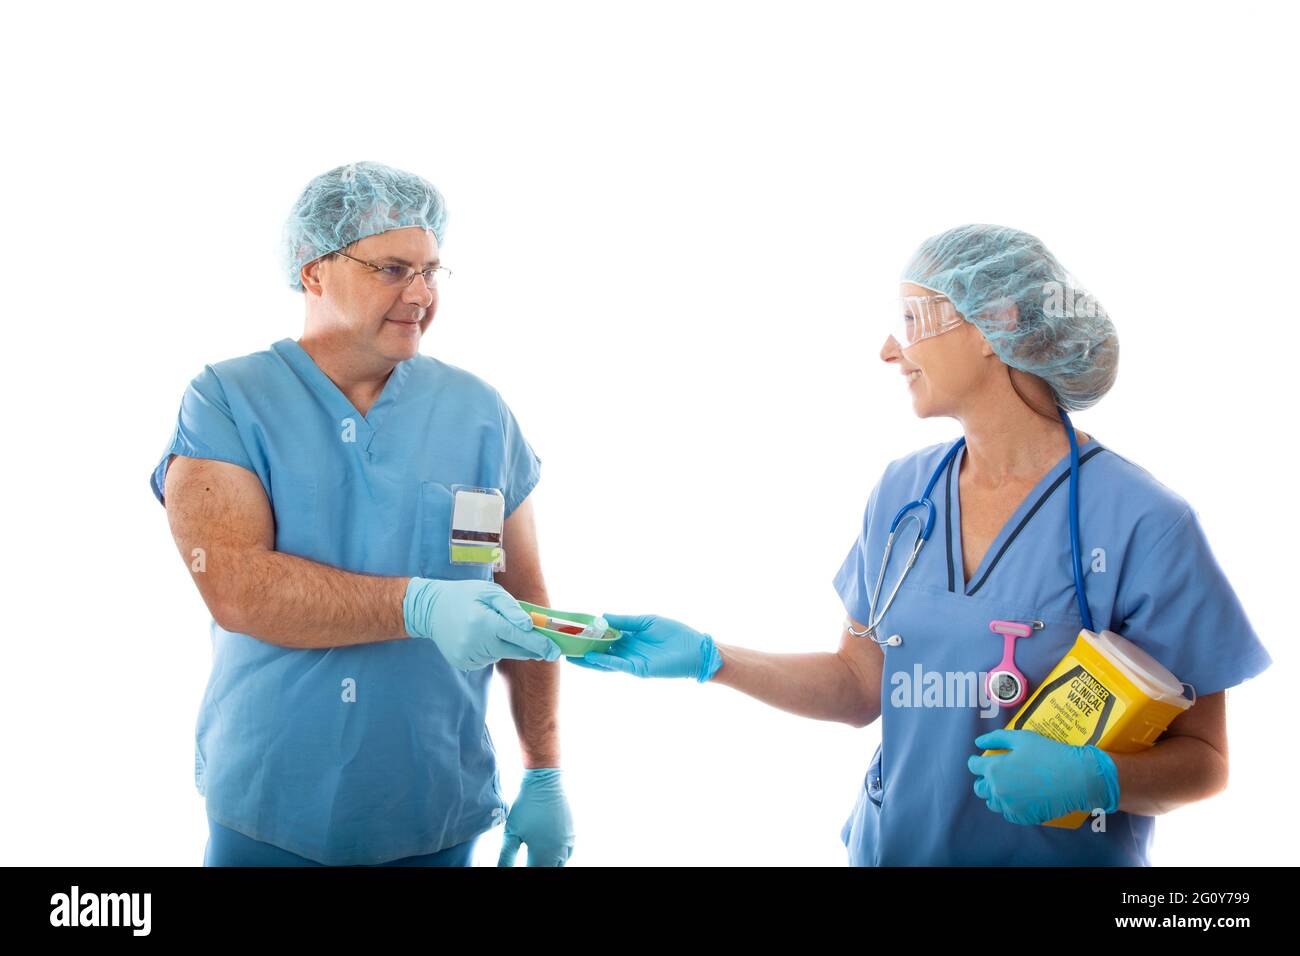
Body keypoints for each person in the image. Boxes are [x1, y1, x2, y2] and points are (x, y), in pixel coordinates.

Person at [572, 224, 1272, 865]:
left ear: (996, 322)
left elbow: (1205, 760)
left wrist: (1098, 779)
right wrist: (712, 658)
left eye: (910, 322)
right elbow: (859, 686)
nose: (887, 350)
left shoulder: (1144, 522)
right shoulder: (903, 494)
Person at [151, 161, 573, 867]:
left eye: (433, 271)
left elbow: (523, 602)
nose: (422, 294)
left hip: (436, 805)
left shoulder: (476, 413)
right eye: (393, 269)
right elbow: (236, 588)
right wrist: (420, 605)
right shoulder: (228, 400)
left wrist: (545, 769)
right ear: (313, 269)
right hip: (270, 809)